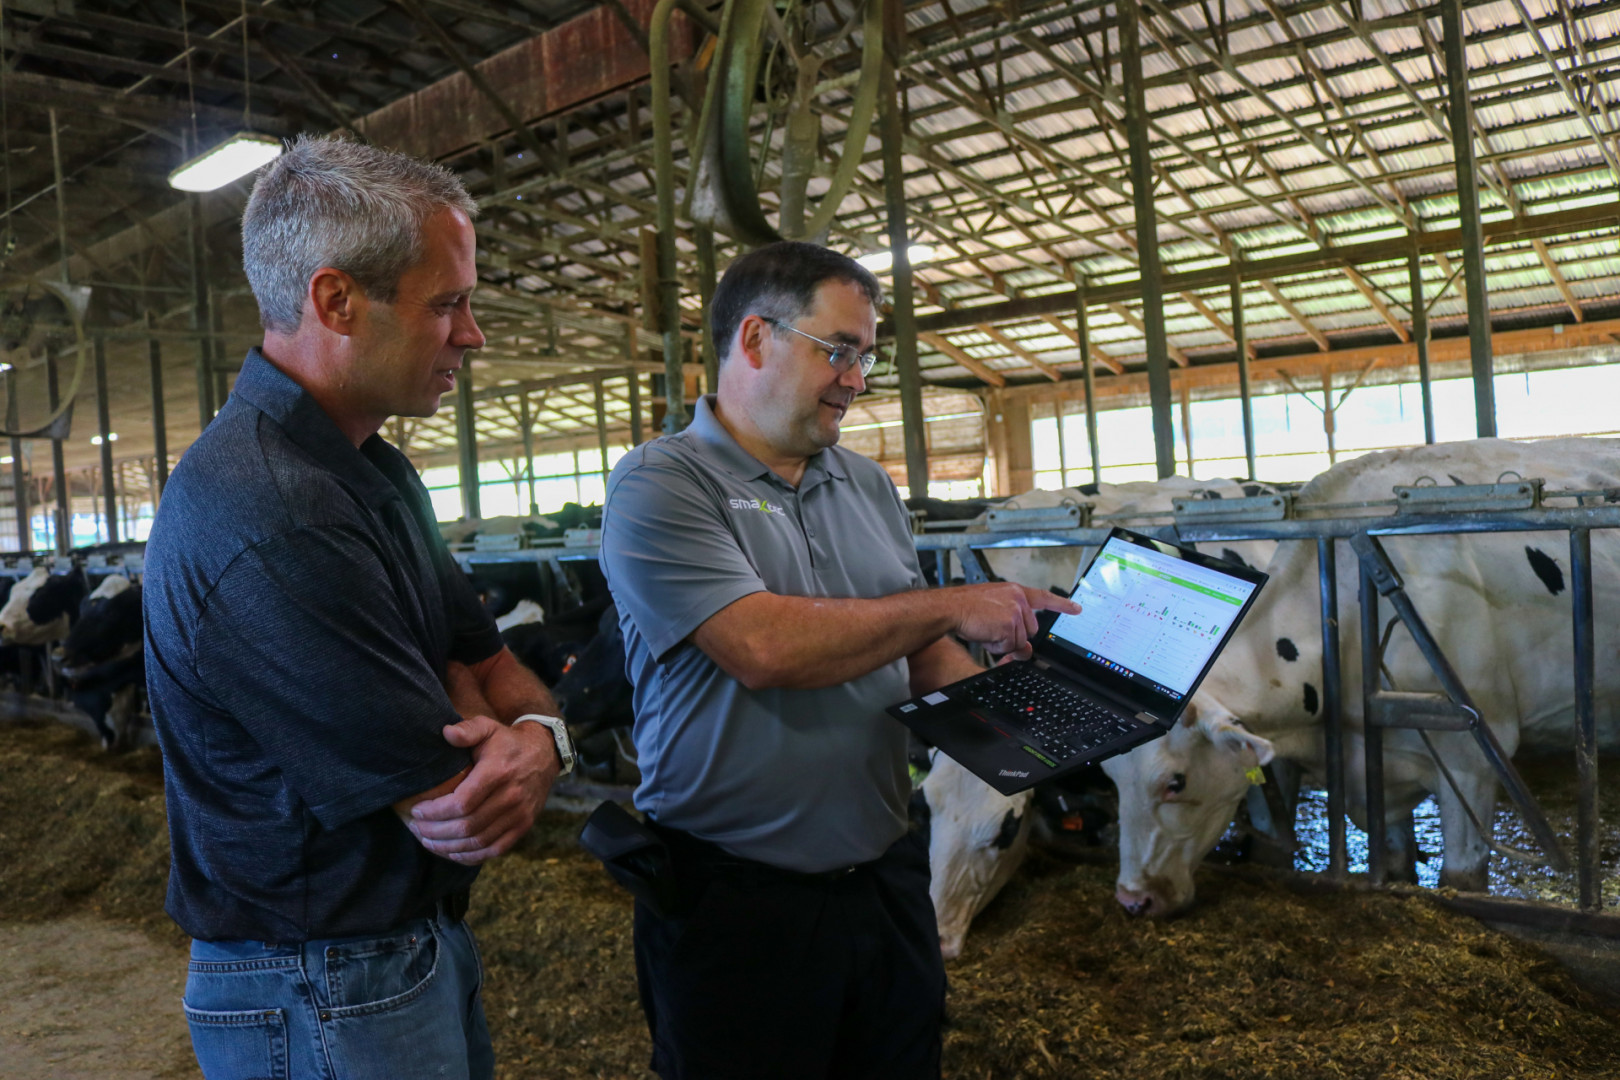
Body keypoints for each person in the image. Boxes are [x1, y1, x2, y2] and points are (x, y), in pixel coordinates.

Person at [598, 240, 1080, 1080]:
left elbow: (917, 653)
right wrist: (951, 604)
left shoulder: (864, 485)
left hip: (885, 877)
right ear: (755, 340)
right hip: (735, 900)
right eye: (840, 351)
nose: (857, 380)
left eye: (867, 356)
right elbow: (762, 646)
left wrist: (1030, 722)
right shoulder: (661, 485)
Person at [143, 136, 572, 1080]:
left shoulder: (371, 468)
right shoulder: (272, 510)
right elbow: (455, 793)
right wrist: (490, 710)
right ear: (336, 301)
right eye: (448, 304)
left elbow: (487, 664)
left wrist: (541, 735)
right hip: (321, 983)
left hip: (390, 956)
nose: (474, 334)